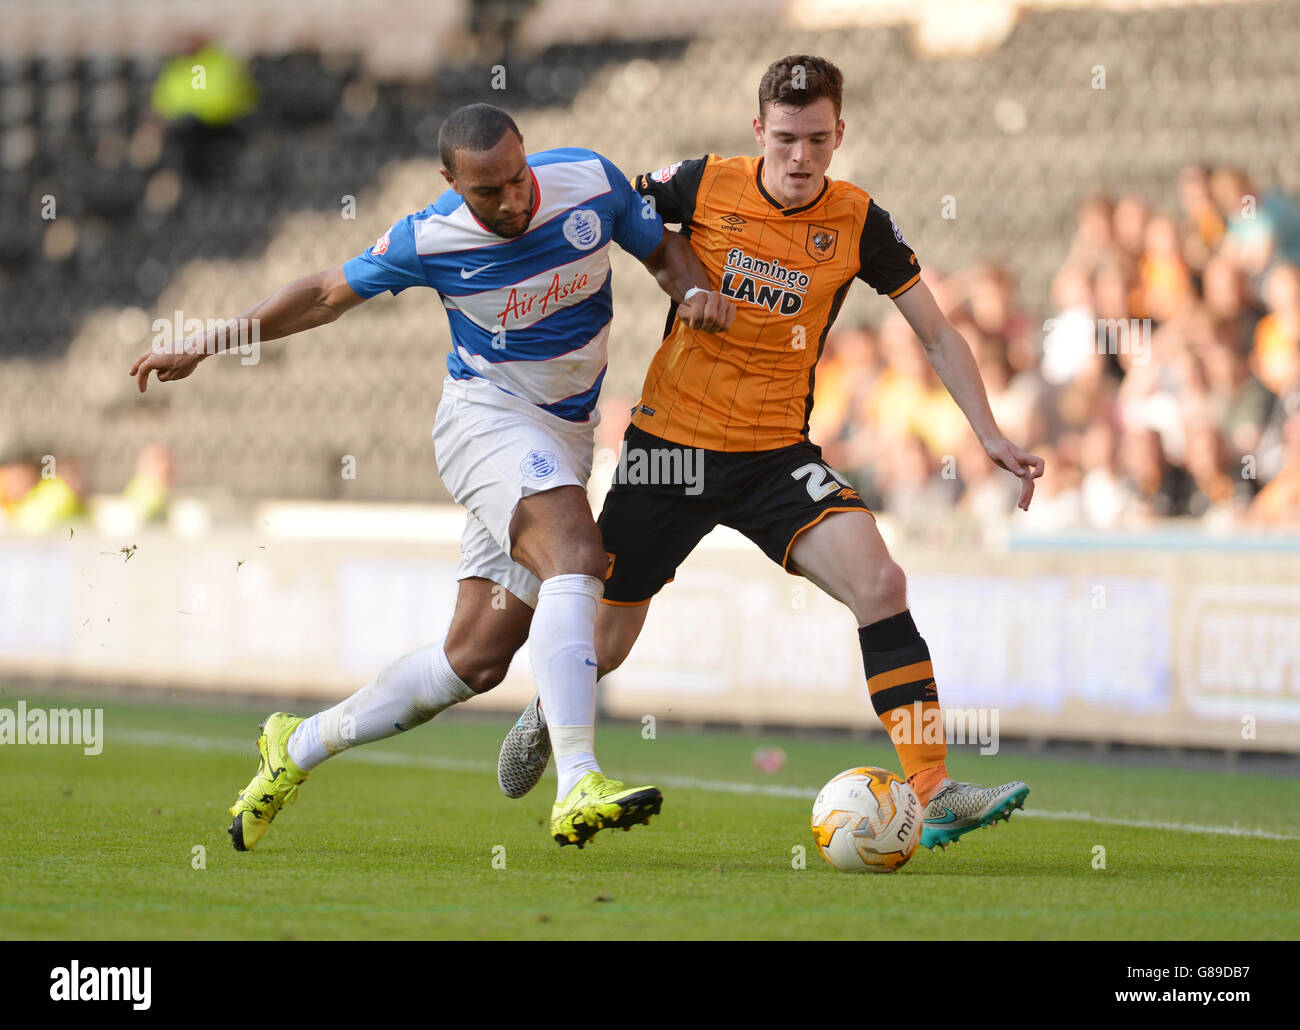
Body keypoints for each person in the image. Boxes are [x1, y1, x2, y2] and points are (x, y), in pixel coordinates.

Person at [129, 103, 736, 851]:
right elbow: (323, 295)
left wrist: (693, 289)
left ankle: (297, 744)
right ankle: (579, 778)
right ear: (450, 181)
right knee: (577, 554)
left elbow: (663, 252)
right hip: (487, 419)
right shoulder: (431, 236)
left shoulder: (587, 180)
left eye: (518, 178)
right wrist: (209, 342)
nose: (513, 201)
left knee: (474, 662)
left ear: (528, 155)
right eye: (489, 192)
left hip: (565, 436)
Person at [497, 56, 1045, 851]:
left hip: (774, 457)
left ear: (839, 135)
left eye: (817, 140)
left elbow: (935, 329)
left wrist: (988, 433)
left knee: (882, 581)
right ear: (759, 130)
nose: (800, 157)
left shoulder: (860, 221)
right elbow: (604, 202)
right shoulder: (701, 183)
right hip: (669, 452)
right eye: (786, 138)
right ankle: (551, 707)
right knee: (604, 644)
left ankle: (934, 788)